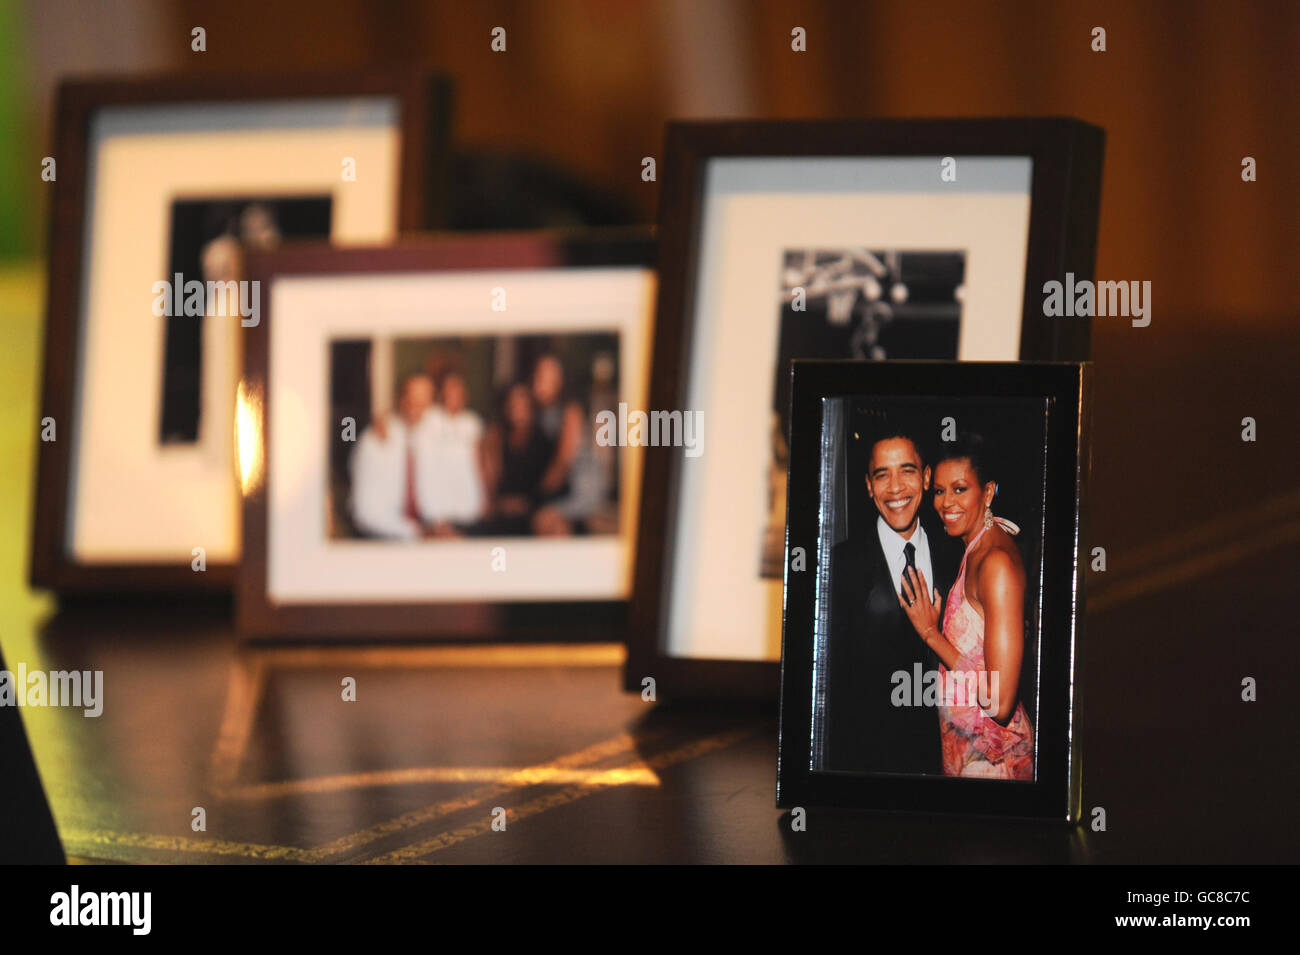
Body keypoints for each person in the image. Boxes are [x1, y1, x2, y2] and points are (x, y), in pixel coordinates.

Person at [897, 432, 1035, 780]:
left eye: (960, 489)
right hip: (967, 753)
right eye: (939, 491)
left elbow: (1000, 703)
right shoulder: (975, 547)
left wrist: (931, 634)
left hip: (994, 760)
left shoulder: (996, 563)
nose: (945, 503)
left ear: (987, 493)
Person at [824, 428, 961, 775]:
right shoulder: (839, 566)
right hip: (870, 769)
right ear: (869, 486)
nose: (896, 487)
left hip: (952, 761)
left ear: (927, 477)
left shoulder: (958, 554)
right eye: (882, 475)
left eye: (907, 470)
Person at [349, 372, 434, 540]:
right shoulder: (376, 440)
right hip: (381, 535)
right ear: (400, 399)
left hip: (418, 529)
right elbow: (366, 514)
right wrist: (418, 534)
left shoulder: (426, 435)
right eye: (411, 398)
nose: (416, 406)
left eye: (424, 401)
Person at [414, 368, 485, 533]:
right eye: (449, 389)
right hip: (436, 508)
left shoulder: (472, 422)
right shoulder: (429, 418)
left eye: (457, 389)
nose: (453, 394)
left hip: (468, 505)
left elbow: (479, 462)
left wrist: (485, 498)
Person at [531, 353, 584, 502]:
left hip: (575, 486)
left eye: (547, 378)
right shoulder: (535, 411)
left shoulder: (570, 411)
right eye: (538, 375)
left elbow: (564, 460)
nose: (539, 384)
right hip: (543, 486)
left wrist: (536, 497)